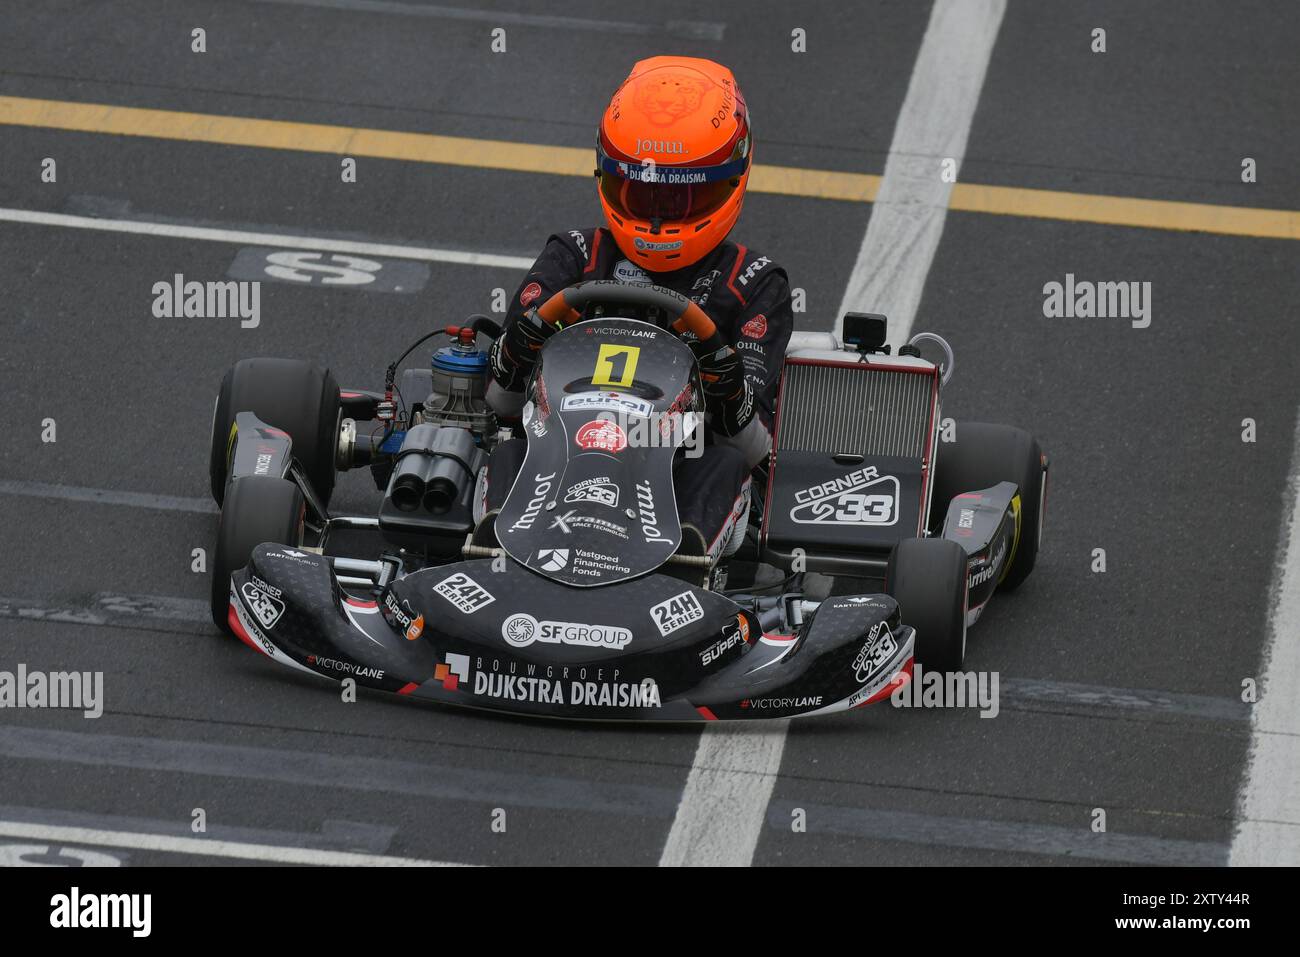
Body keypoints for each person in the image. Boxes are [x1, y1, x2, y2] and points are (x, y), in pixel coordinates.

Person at [484, 55, 792, 564]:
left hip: (681, 464)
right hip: (555, 448)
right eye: (641, 192)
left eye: (680, 199)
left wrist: (720, 370)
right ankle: (494, 550)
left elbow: (751, 446)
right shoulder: (575, 254)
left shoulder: (753, 283)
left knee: (722, 467)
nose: (656, 217)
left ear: (732, 177)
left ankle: (684, 569)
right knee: (505, 447)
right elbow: (498, 401)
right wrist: (520, 343)